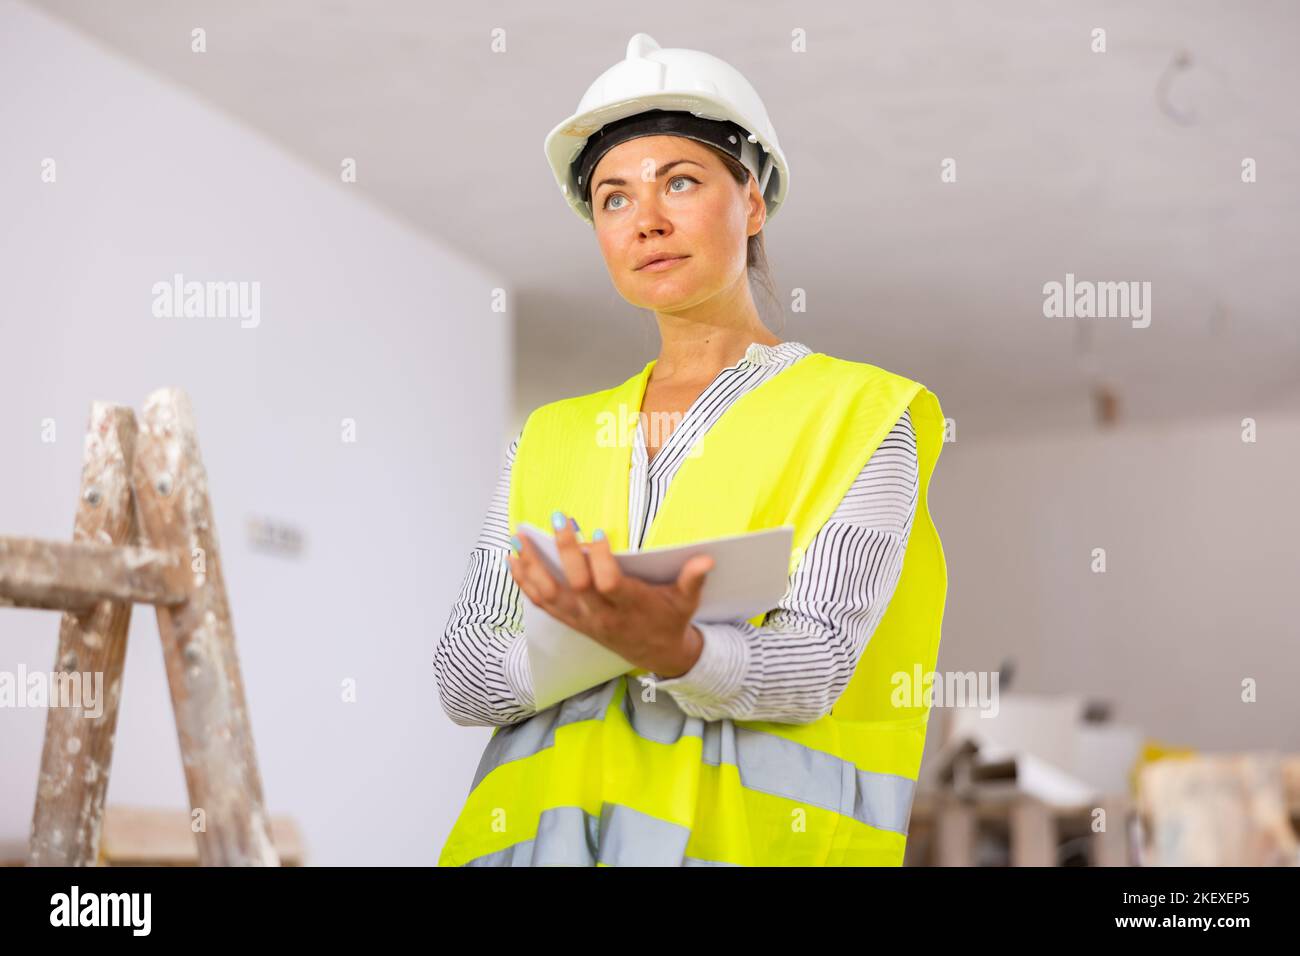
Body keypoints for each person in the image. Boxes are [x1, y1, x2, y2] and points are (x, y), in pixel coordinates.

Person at [434, 33, 947, 866]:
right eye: (614, 198)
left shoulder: (861, 412)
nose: (649, 221)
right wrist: (615, 636)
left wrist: (679, 649)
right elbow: (462, 674)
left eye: (680, 181)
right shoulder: (548, 435)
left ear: (753, 202)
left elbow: (816, 662)